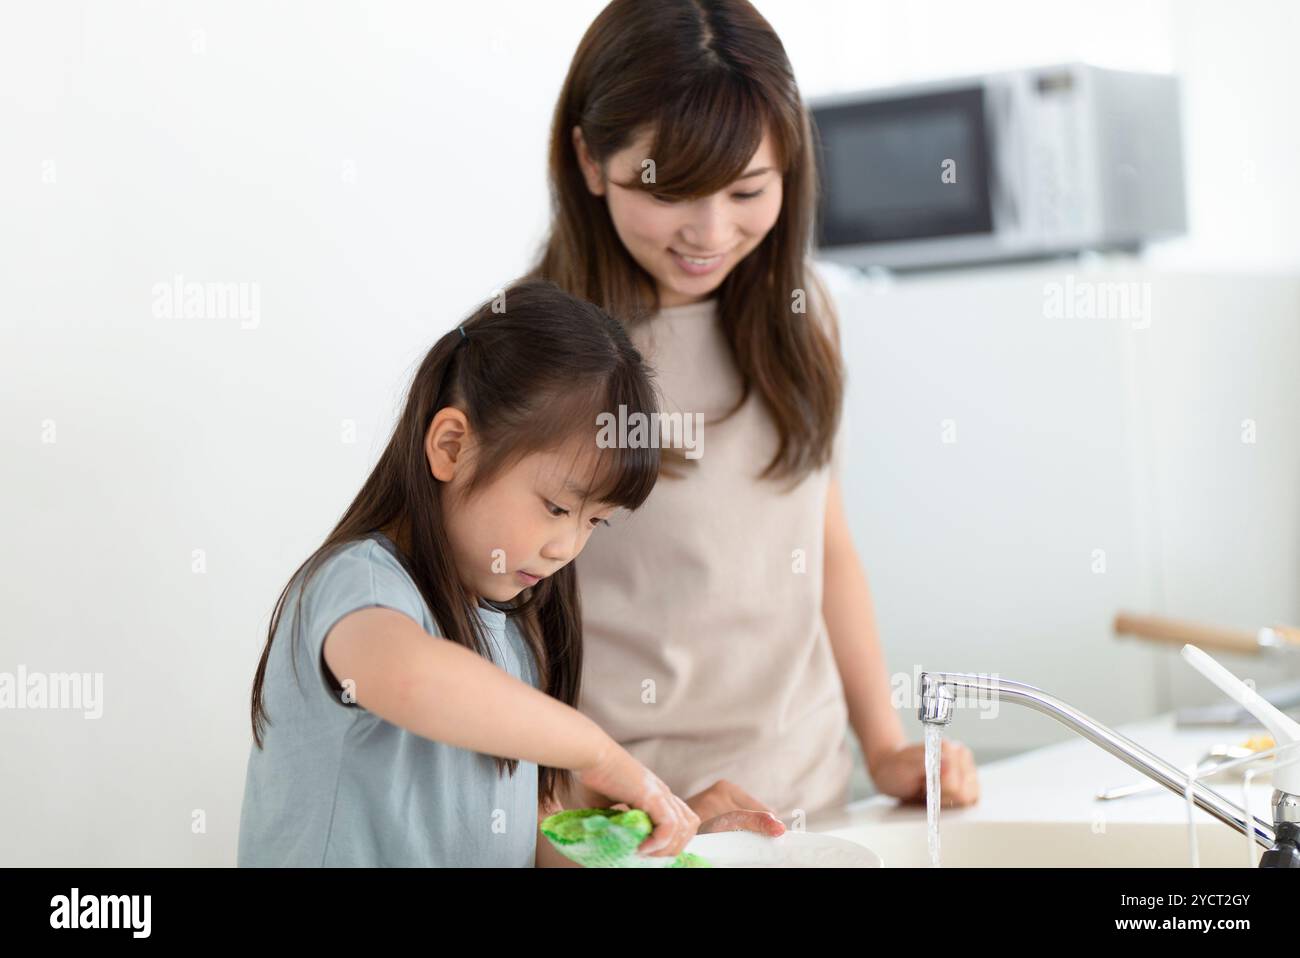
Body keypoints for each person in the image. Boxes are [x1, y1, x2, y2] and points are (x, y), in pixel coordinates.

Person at [527, 0, 980, 823]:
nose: (710, 231)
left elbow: (825, 547)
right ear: (590, 160)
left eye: (746, 190)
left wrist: (881, 746)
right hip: (626, 825)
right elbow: (489, 621)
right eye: (673, 192)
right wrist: (578, 812)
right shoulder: (529, 352)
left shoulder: (801, 320)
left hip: (806, 806)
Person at [238, 280, 719, 866]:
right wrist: (598, 753)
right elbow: (410, 678)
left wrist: (672, 847)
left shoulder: (508, 630)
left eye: (596, 522)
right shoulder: (360, 585)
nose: (567, 547)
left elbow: (522, 842)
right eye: (557, 508)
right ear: (451, 446)